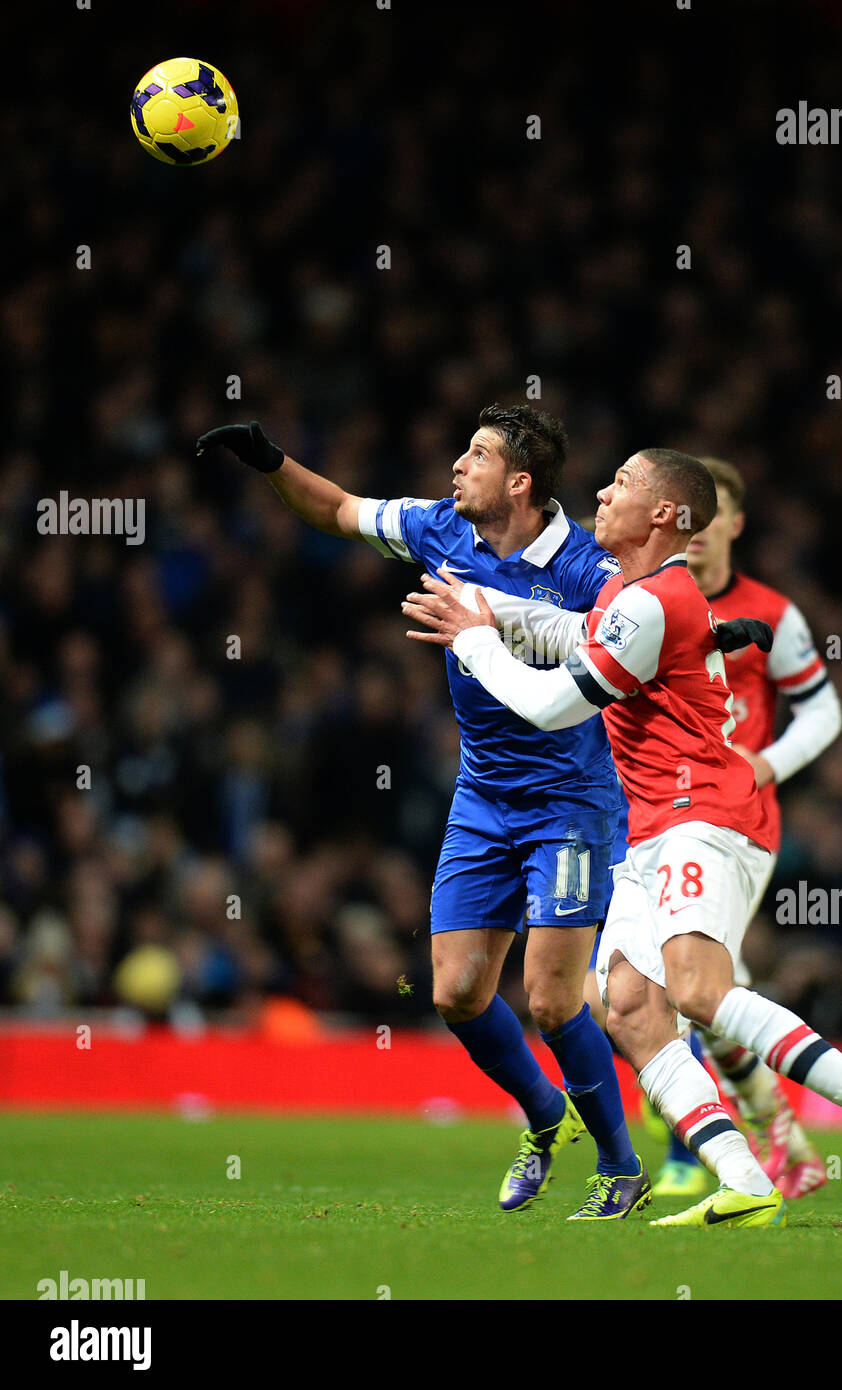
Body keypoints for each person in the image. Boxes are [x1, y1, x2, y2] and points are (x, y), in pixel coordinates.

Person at [403, 447, 842, 1227]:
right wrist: (491, 610)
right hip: (648, 830)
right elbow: (570, 629)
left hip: (706, 817)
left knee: (695, 990)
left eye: (621, 482)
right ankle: (746, 1178)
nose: (601, 489)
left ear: (662, 514)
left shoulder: (652, 601)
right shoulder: (634, 594)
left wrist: (475, 641)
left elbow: (554, 704)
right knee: (625, 1006)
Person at [196, 407, 650, 1221]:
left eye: (475, 455)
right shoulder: (440, 529)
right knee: (456, 996)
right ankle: (545, 1117)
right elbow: (337, 509)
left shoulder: (587, 565)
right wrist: (269, 461)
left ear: (519, 481)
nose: (455, 466)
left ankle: (619, 1164)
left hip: (571, 806)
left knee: (550, 999)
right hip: (482, 798)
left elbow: (626, 639)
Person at [625, 456, 842, 1202]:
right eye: (686, 516)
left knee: (679, 988)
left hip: (735, 817)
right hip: (655, 813)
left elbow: (823, 711)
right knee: (699, 995)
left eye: (711, 516)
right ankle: (779, 1139)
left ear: (734, 524)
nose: (696, 531)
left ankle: (705, 1148)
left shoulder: (773, 614)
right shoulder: (647, 599)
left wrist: (769, 764)